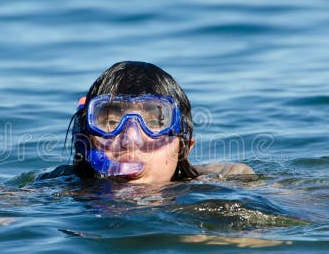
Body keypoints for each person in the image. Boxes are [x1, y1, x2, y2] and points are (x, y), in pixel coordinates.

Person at [66, 61, 254, 184]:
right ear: (85, 142)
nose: (130, 140)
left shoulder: (205, 192)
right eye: (111, 121)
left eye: (155, 122)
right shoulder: (59, 193)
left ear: (185, 148)